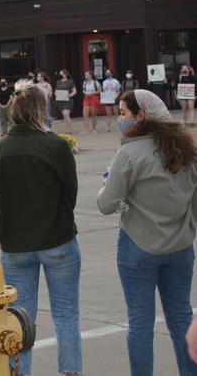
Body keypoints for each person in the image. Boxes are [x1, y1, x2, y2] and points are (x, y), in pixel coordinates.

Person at [98, 90, 197, 376]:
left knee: (140, 322)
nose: (120, 119)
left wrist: (108, 185)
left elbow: (106, 205)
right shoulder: (187, 152)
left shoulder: (128, 153)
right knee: (181, 318)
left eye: (122, 113)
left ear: (140, 115)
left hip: (138, 246)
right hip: (180, 246)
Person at [0, 80, 82, 376]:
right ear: (42, 109)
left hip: (16, 244)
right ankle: (70, 372)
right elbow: (71, 193)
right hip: (57, 239)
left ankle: (20, 372)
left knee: (19, 321)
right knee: (66, 316)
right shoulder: (56, 146)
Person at [55, 70, 78, 135]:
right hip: (60, 100)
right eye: (60, 74)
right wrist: (56, 94)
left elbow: (74, 91)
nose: (60, 75)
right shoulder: (58, 82)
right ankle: (68, 130)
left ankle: (71, 130)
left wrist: (69, 95)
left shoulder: (70, 81)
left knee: (66, 114)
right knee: (65, 116)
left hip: (68, 100)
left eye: (61, 73)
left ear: (65, 74)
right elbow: (56, 90)